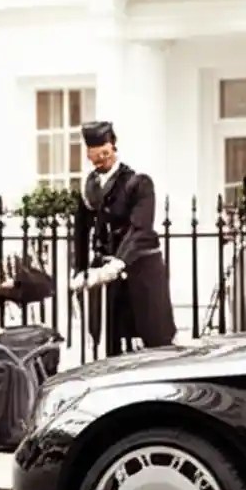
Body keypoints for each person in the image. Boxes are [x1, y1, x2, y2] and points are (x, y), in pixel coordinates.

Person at [71, 120, 177, 357]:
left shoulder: (138, 183)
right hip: (107, 277)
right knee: (112, 343)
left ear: (114, 149)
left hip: (139, 271)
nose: (100, 161)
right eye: (95, 157)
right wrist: (79, 270)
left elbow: (140, 229)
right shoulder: (88, 188)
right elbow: (80, 232)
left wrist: (118, 263)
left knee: (152, 344)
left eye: (105, 154)